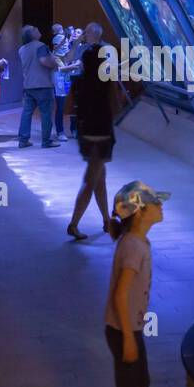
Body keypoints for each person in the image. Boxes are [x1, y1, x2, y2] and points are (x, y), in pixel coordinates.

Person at [105, 180, 171, 387]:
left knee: (141, 384)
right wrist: (129, 340)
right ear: (141, 211)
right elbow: (121, 295)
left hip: (131, 328)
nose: (161, 207)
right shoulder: (132, 245)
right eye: (156, 203)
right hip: (123, 331)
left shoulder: (137, 240)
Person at [67, 41, 115, 240]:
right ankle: (74, 224)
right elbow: (115, 105)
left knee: (99, 178)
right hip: (102, 134)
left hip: (84, 133)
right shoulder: (107, 81)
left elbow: (71, 107)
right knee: (90, 181)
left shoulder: (78, 81)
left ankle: (107, 221)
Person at [17, 26, 59, 149]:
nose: (37, 29)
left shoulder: (22, 49)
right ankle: (46, 141)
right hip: (43, 85)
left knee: (26, 113)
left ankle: (23, 140)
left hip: (28, 85)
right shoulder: (40, 46)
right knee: (46, 114)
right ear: (32, 34)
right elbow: (44, 61)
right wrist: (54, 63)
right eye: (35, 29)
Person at [69, 22, 104, 138]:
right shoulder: (82, 48)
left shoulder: (105, 48)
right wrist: (75, 44)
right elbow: (69, 59)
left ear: (95, 34)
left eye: (86, 31)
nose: (84, 34)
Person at [51, 30, 79, 143]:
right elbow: (60, 69)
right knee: (61, 107)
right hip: (60, 84)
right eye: (63, 42)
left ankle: (74, 129)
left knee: (74, 106)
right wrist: (74, 66)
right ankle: (60, 131)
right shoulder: (55, 55)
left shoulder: (75, 51)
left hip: (72, 82)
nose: (65, 43)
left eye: (66, 42)